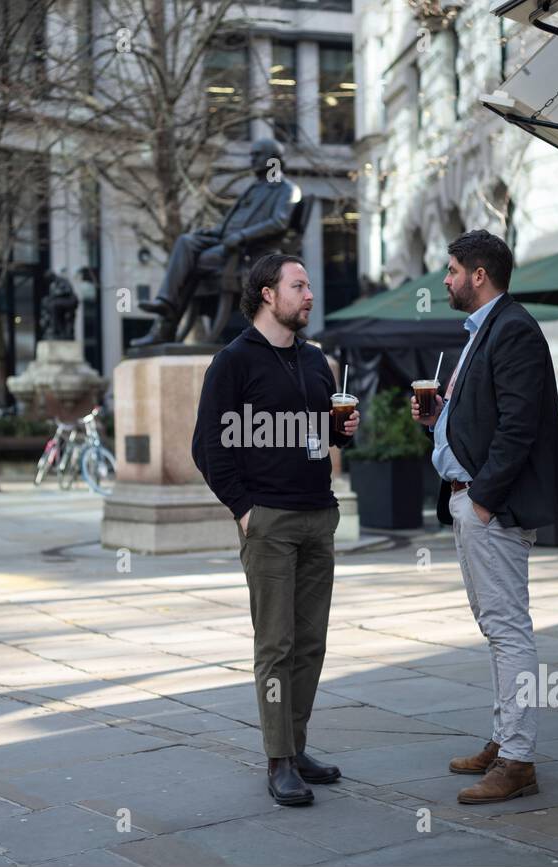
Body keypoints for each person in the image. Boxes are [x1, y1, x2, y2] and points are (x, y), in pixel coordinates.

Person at [411, 230, 558, 804]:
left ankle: (518, 759)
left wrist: (482, 498)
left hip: (492, 507)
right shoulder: (486, 330)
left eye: (453, 269)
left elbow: (518, 427)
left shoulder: (513, 330)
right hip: (471, 499)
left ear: (479, 274)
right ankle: (504, 737)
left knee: (508, 630)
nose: (447, 280)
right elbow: (485, 419)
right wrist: (437, 420)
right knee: (495, 628)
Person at [191, 253, 359, 806]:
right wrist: (244, 510)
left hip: (318, 515)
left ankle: (299, 744)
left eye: (310, 285)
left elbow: (325, 437)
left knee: (311, 643)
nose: (309, 295)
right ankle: (278, 759)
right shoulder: (233, 362)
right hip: (269, 522)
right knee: (276, 644)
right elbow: (209, 447)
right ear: (268, 293)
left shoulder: (316, 362)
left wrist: (344, 430)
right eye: (299, 286)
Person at [134, 138, 301, 347]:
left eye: (257, 154)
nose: (252, 159)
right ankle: (165, 302)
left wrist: (242, 236)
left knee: (192, 264)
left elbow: (279, 222)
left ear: (273, 159)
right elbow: (230, 224)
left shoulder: (286, 189)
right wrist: (211, 232)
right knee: (185, 242)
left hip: (248, 252)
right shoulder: (254, 188)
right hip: (224, 242)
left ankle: (164, 328)